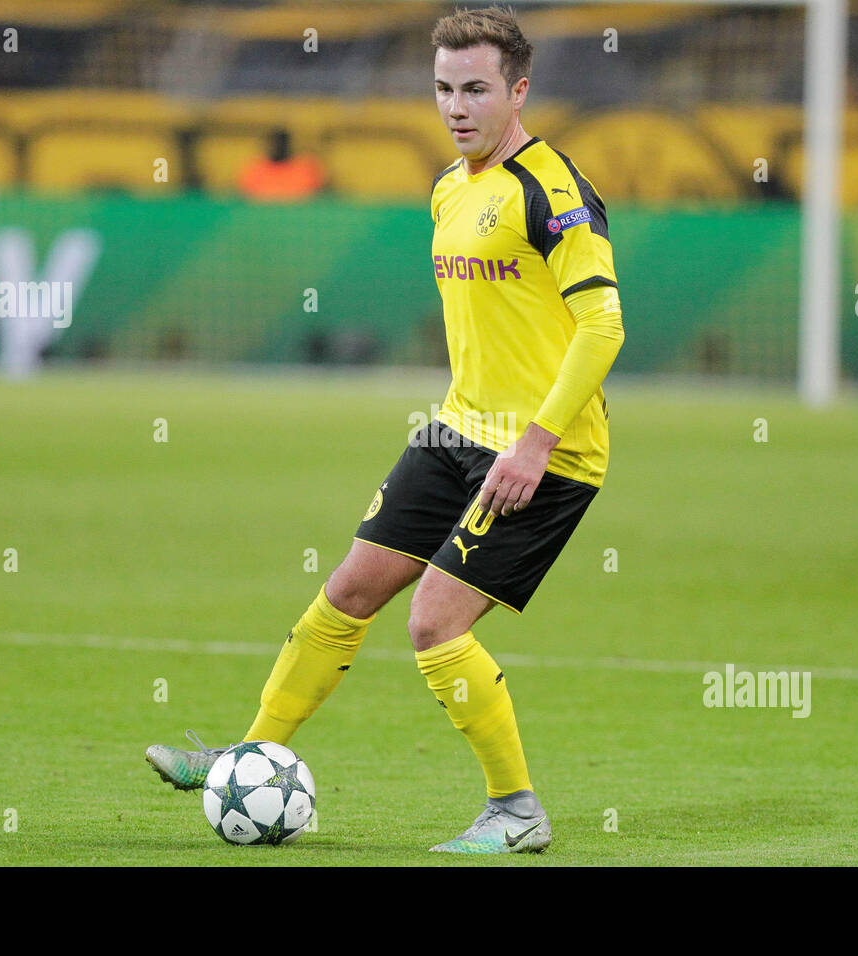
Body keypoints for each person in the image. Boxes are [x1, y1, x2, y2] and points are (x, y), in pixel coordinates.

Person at [146, 3, 624, 854]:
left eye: (475, 89)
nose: (456, 106)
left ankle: (516, 811)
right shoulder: (449, 186)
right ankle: (253, 753)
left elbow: (603, 328)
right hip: (455, 431)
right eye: (443, 88)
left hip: (547, 451)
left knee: (434, 622)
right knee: (350, 589)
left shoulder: (551, 193)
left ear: (518, 90)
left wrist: (538, 441)